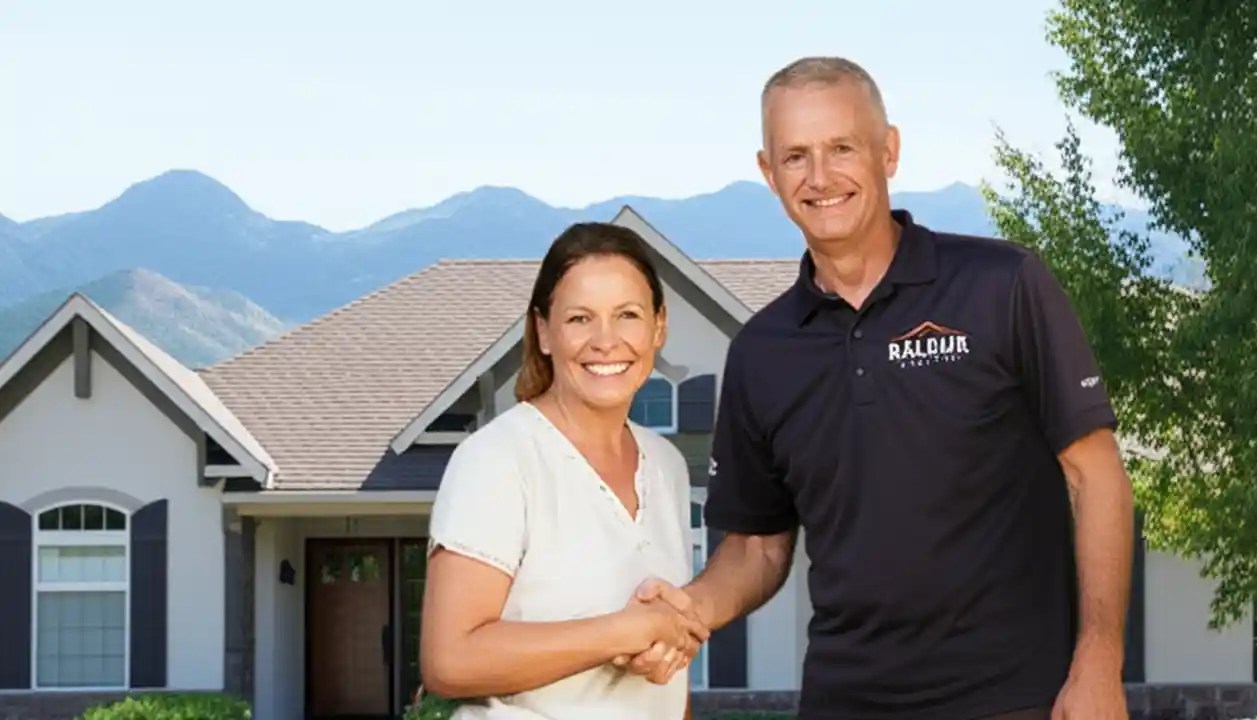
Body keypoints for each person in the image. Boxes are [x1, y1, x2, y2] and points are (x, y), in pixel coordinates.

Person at [616, 57, 1135, 720]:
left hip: (1019, 699)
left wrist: (1099, 661)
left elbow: (1096, 476)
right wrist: (689, 610)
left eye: (842, 148)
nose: (820, 177)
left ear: (888, 151)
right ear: (768, 173)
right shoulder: (761, 352)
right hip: (845, 700)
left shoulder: (1002, 286)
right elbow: (756, 545)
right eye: (796, 156)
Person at [418, 222, 709, 719]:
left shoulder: (667, 466)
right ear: (544, 332)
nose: (605, 341)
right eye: (579, 319)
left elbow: (667, 683)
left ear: (659, 327)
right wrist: (623, 631)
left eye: (628, 315)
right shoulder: (497, 459)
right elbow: (450, 660)